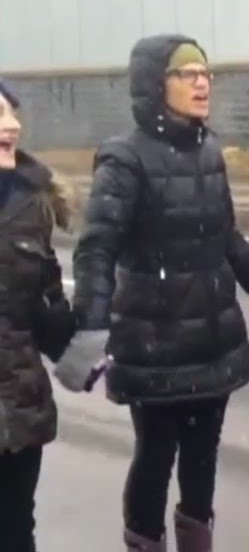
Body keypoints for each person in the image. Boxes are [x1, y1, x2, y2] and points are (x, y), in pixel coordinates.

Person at [54, 36, 249, 552]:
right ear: (156, 85)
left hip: (213, 340)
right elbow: (96, 250)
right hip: (152, 343)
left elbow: (227, 238)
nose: (202, 83)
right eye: (187, 73)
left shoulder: (210, 150)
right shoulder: (124, 161)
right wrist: (90, 325)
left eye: (206, 73)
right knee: (155, 458)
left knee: (202, 462)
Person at [0, 81, 76, 552]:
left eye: (11, 112)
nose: (12, 124)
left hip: (19, 411)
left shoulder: (30, 206)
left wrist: (91, 339)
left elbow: (48, 312)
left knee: (15, 531)